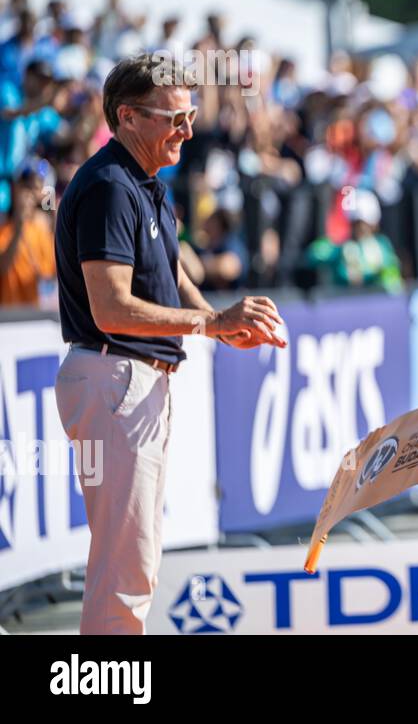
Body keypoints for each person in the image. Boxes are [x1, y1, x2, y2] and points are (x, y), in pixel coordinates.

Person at [53, 53, 288, 634]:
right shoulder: (111, 184)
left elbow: (171, 273)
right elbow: (111, 308)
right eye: (173, 118)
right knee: (125, 568)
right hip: (113, 377)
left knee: (131, 563)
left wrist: (216, 319)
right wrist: (211, 324)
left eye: (190, 115)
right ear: (127, 117)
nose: (187, 129)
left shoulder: (144, 181)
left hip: (128, 380)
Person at [0, 160, 56, 306]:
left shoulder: (42, 231)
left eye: (36, 188)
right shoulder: (4, 229)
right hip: (8, 316)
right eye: (25, 187)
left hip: (34, 317)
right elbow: (2, 267)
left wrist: (53, 215)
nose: (30, 194)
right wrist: (19, 226)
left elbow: (50, 274)